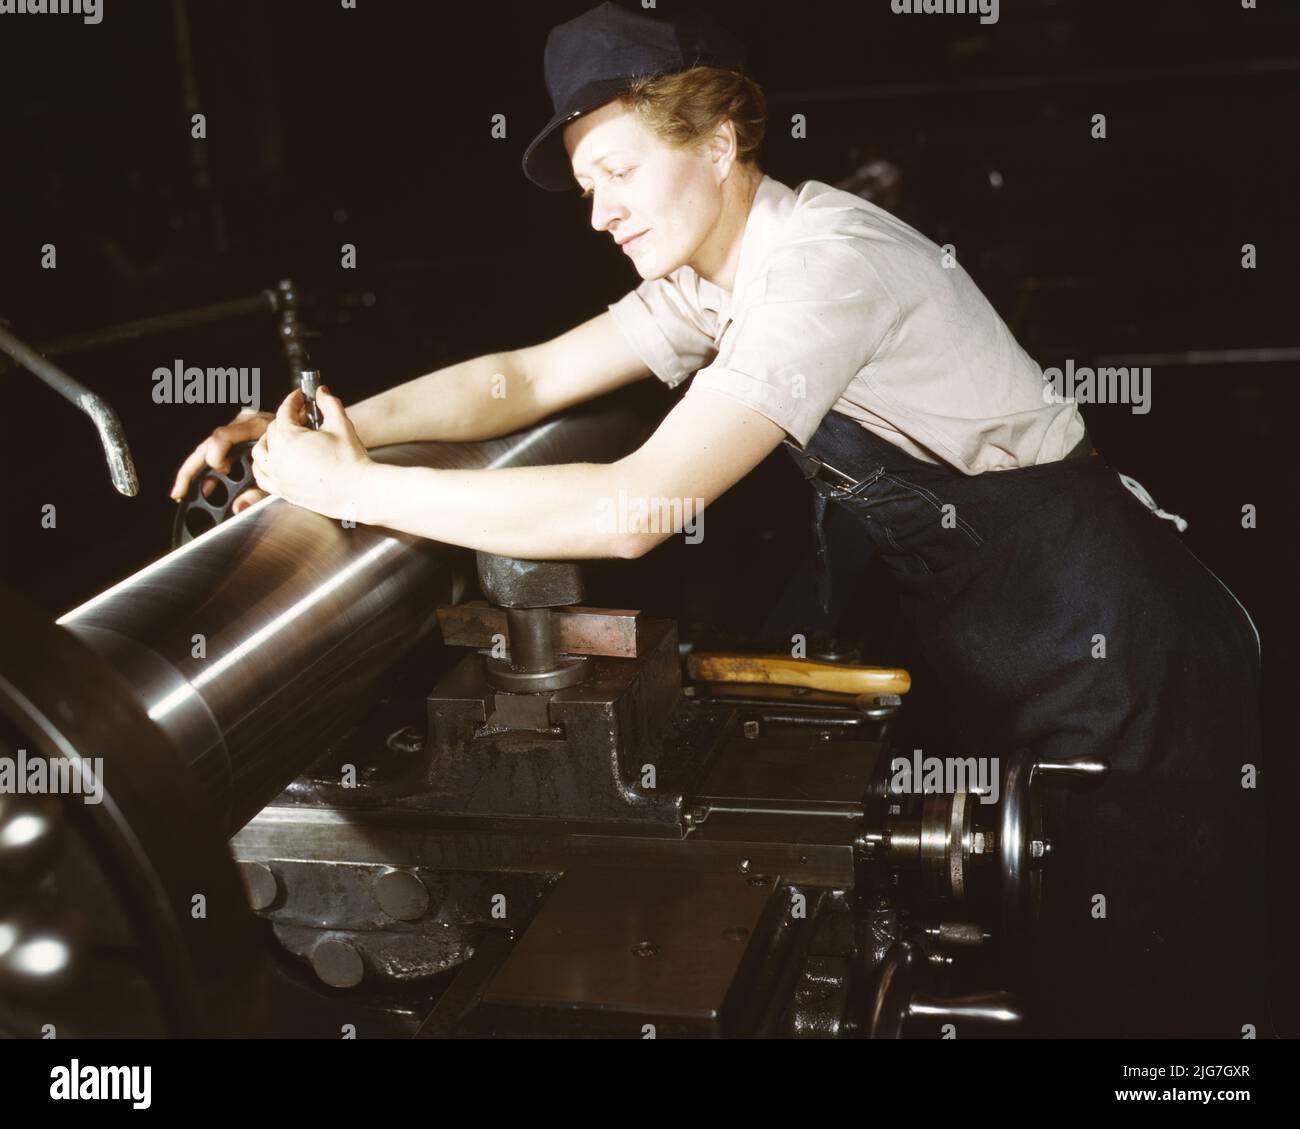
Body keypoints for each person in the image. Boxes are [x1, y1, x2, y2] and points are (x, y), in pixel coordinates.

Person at [171, 2, 1269, 1037]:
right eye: (582, 183)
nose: (597, 211)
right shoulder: (712, 279)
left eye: (615, 171)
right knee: (1056, 964)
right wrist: (321, 426)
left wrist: (353, 490)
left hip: (1125, 667)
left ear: (719, 138)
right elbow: (523, 378)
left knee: (1154, 1008)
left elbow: (633, 507)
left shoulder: (823, 270)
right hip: (1017, 653)